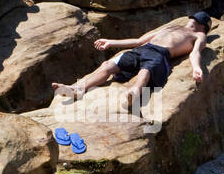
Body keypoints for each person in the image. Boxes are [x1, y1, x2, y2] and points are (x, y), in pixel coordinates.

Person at [53, 11, 211, 112]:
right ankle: (77, 89)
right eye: (193, 18)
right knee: (108, 65)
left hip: (160, 54)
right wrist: (111, 42)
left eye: (196, 21)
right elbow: (138, 41)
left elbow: (195, 52)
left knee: (146, 71)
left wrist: (197, 68)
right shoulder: (172, 27)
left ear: (202, 27)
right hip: (143, 49)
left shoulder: (199, 35)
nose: (192, 21)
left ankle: (134, 93)